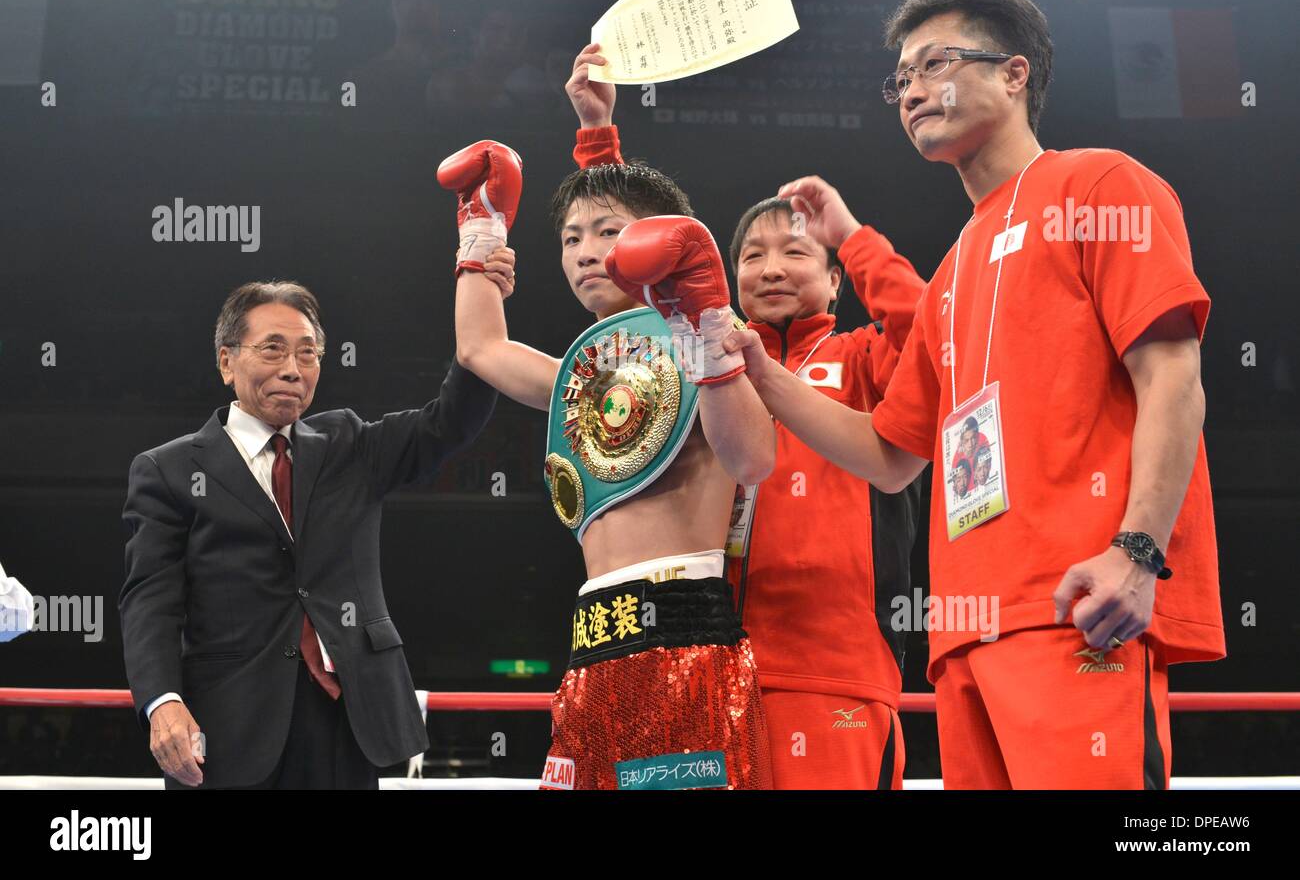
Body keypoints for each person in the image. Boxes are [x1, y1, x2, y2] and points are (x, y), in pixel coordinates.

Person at [724, 0, 1225, 788]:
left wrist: (1138, 551)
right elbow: (889, 453)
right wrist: (757, 372)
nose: (912, 90)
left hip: (1078, 605)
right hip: (964, 639)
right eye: (901, 79)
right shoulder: (954, 269)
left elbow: (1174, 374)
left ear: (1015, 74)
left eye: (937, 64)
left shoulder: (1098, 187)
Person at [565, 43, 928, 789]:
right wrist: (598, 135)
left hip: (831, 671)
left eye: (794, 252)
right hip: (702, 658)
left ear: (835, 277)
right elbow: (630, 265)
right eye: (751, 255)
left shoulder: (862, 357)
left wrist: (852, 234)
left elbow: (931, 336)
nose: (768, 268)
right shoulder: (698, 358)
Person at [440, 136, 777, 790]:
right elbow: (481, 348)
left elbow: (753, 458)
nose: (585, 251)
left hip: (683, 639)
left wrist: (707, 319)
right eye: (570, 238)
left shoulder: (709, 337)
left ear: (657, 239)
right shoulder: (583, 373)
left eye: (607, 232)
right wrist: (480, 229)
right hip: (591, 647)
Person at [119, 281, 500, 788]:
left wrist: (482, 295)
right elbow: (150, 600)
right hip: (228, 726)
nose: (293, 369)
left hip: (348, 719)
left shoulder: (349, 445)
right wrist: (161, 701)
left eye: (308, 353)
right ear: (227, 362)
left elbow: (450, 422)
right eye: (273, 348)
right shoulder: (167, 469)